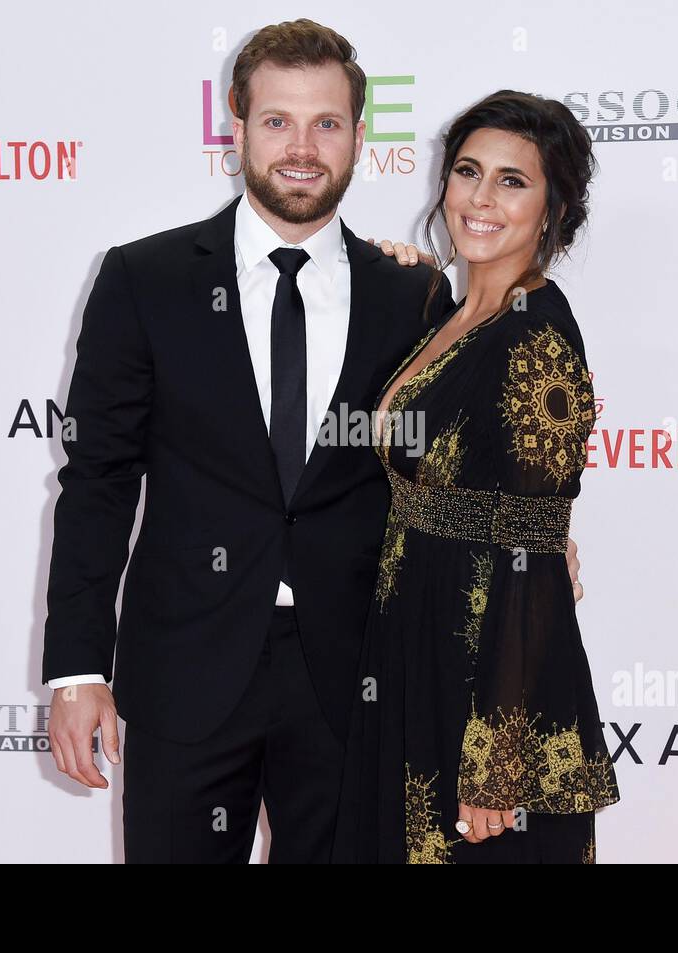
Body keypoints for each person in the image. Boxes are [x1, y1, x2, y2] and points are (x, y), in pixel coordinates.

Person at [40, 20, 583, 863]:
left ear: (360, 137)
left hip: (362, 679)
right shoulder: (144, 280)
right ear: (237, 128)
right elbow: (97, 482)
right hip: (184, 674)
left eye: (327, 123)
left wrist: (545, 541)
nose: (302, 147)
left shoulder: (414, 294)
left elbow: (475, 449)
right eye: (278, 121)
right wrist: (77, 669)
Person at [333, 90, 621, 864]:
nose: (481, 198)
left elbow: (531, 558)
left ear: (554, 208)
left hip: (484, 693)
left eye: (512, 181)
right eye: (467, 172)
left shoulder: (538, 336)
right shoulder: (448, 314)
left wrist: (497, 762)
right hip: (410, 651)